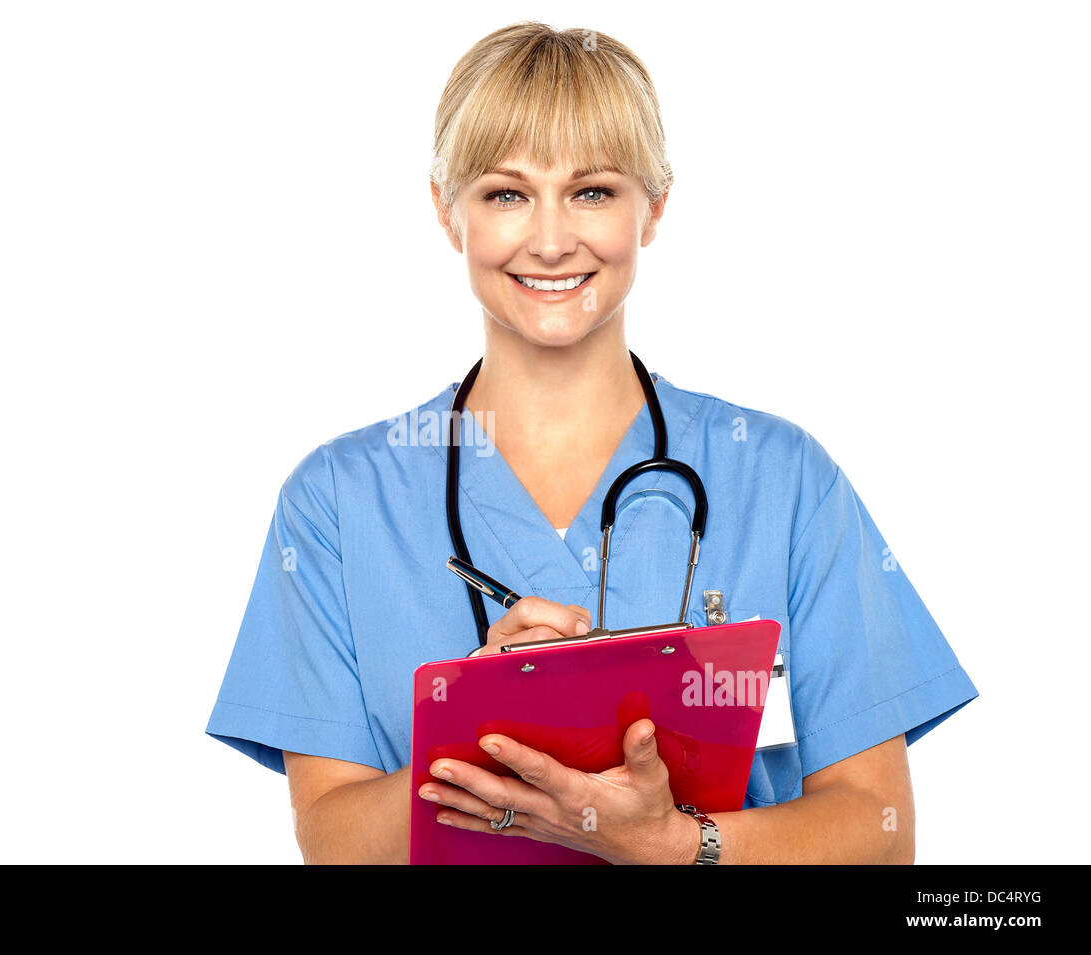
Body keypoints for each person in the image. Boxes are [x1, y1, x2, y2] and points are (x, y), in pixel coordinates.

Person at [204, 21, 978, 864]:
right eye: (505, 193)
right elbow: (333, 841)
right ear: (444, 210)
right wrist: (475, 723)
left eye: (593, 191)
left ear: (655, 208)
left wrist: (680, 844)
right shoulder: (336, 501)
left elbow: (877, 830)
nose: (548, 240)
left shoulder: (784, 479)